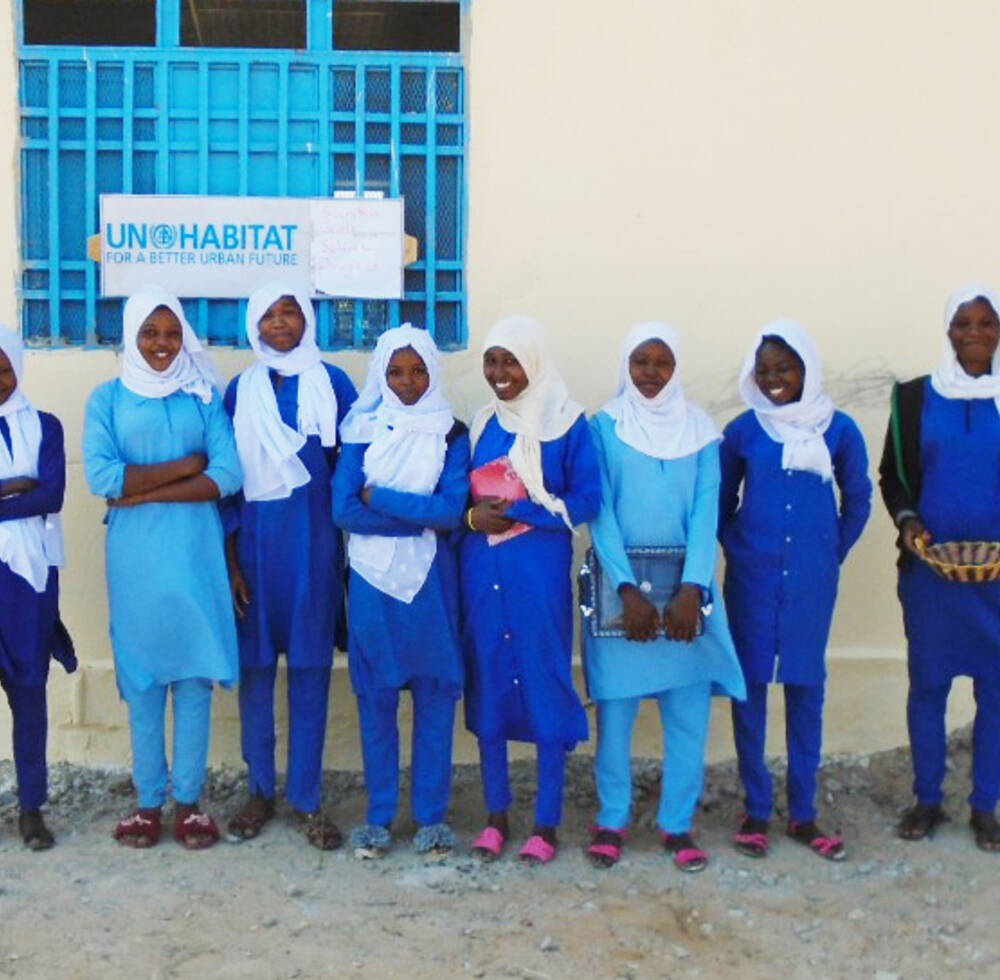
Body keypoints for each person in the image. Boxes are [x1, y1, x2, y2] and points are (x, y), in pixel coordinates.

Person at [83, 286, 241, 849]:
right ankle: (149, 803)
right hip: (136, 562)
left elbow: (227, 473)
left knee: (195, 677)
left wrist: (143, 491)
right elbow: (102, 478)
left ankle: (190, 805)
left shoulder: (202, 396)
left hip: (195, 556)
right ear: (130, 334)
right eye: (150, 333)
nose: (162, 344)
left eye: (172, 333)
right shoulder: (107, 399)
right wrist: (184, 468)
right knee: (144, 679)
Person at [584, 322, 745, 872]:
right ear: (625, 365)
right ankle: (611, 820)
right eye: (640, 362)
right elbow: (600, 511)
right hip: (619, 592)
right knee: (617, 715)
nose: (651, 373)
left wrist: (693, 589)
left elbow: (707, 514)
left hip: (684, 591)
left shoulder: (700, 430)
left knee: (687, 715)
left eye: (662, 363)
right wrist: (626, 588)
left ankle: (678, 825)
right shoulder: (602, 427)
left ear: (676, 368)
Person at [720, 321, 871, 861]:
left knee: (806, 689)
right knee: (751, 690)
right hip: (752, 581)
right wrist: (740, 547)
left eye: (784, 368)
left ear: (805, 369)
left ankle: (804, 813)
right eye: (763, 370)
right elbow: (719, 501)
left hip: (811, 585)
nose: (773, 378)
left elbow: (858, 500)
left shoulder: (839, 430)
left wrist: (828, 554)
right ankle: (756, 810)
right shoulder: (744, 431)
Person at [461, 315, 600, 864]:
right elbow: (458, 494)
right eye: (492, 361)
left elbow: (587, 498)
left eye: (512, 361)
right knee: (490, 677)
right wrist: (474, 518)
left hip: (537, 573)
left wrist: (522, 511)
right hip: (483, 573)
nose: (500, 373)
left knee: (543, 678)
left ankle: (546, 822)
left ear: (534, 362)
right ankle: (495, 817)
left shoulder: (567, 423)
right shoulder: (479, 423)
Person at [223, 282, 357, 849]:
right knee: (254, 675)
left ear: (307, 320)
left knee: (308, 673)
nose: (280, 324)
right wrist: (231, 560)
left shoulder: (334, 382)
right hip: (254, 548)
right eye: (269, 315)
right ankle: (259, 789)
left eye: (290, 312)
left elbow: (352, 465)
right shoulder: (238, 390)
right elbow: (225, 480)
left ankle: (305, 796)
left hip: (313, 548)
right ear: (253, 324)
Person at [333, 324, 469, 859]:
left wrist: (381, 499)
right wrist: (416, 520)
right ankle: (379, 816)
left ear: (433, 372)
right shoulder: (362, 430)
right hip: (370, 581)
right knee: (377, 699)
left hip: (433, 582)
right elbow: (343, 510)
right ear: (380, 375)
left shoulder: (451, 434)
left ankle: (432, 817)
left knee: (435, 696)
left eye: (418, 371)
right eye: (395, 371)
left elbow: (452, 511)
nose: (408, 382)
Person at [879, 284, 1000, 853]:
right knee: (927, 685)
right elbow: (892, 475)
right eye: (961, 324)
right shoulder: (913, 398)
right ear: (946, 331)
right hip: (931, 573)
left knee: (996, 690)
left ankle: (985, 806)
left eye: (985, 323)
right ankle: (928, 798)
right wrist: (907, 521)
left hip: (997, 578)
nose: (973, 334)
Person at [0, 326, 76, 849]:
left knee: (29, 691)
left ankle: (31, 808)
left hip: (26, 579)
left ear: (18, 368)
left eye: (3, 368)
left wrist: (31, 488)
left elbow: (52, 495)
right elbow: (31, 492)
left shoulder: (44, 426)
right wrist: (13, 486)